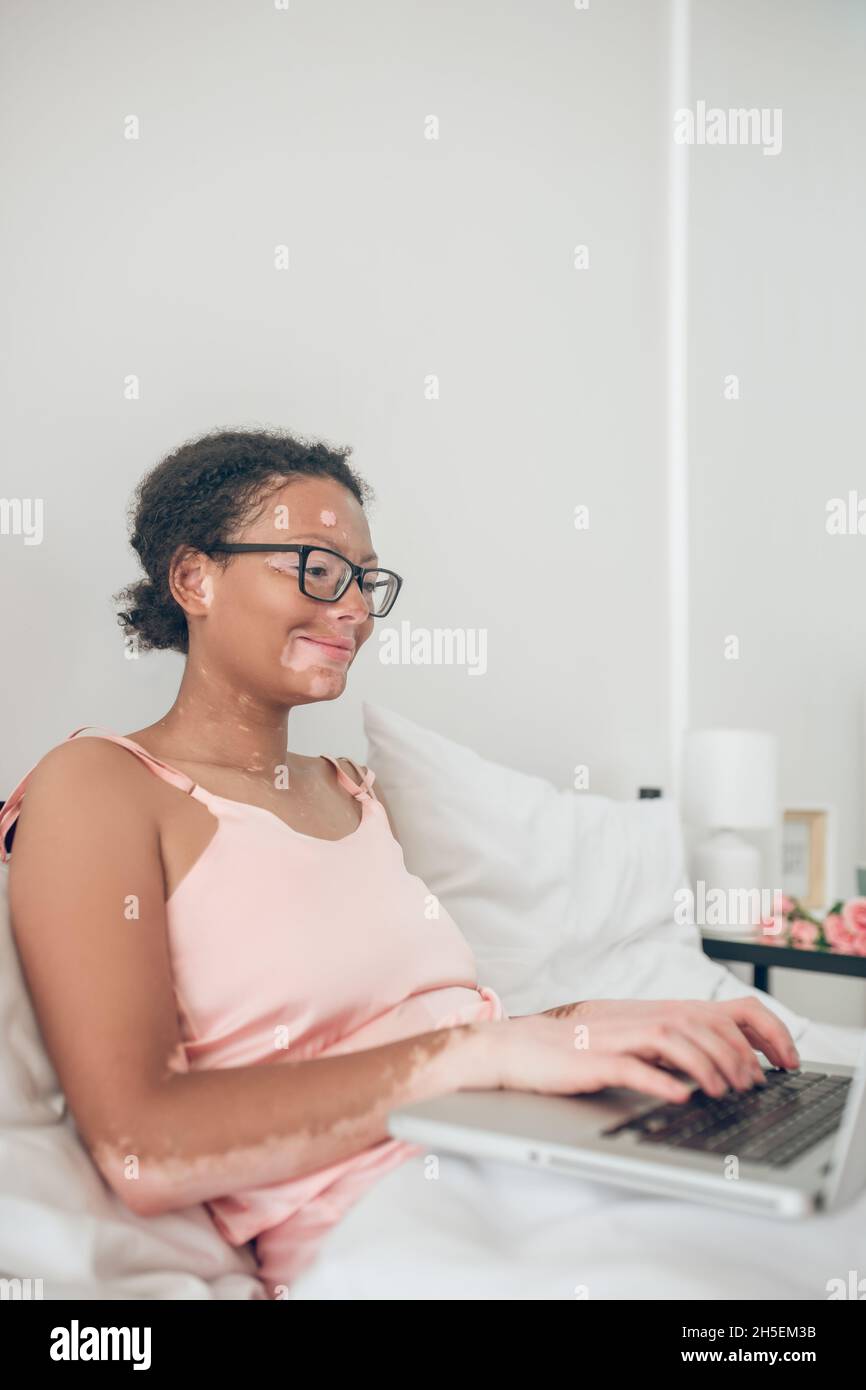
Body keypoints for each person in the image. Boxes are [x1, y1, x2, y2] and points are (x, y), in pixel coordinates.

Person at [0, 427, 800, 1298]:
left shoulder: (352, 792)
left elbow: (413, 1025)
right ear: (195, 578)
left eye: (365, 578)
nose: (354, 609)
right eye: (315, 567)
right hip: (406, 1219)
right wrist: (474, 1057)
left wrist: (596, 1023)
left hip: (533, 1147)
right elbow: (141, 1146)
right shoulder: (101, 785)